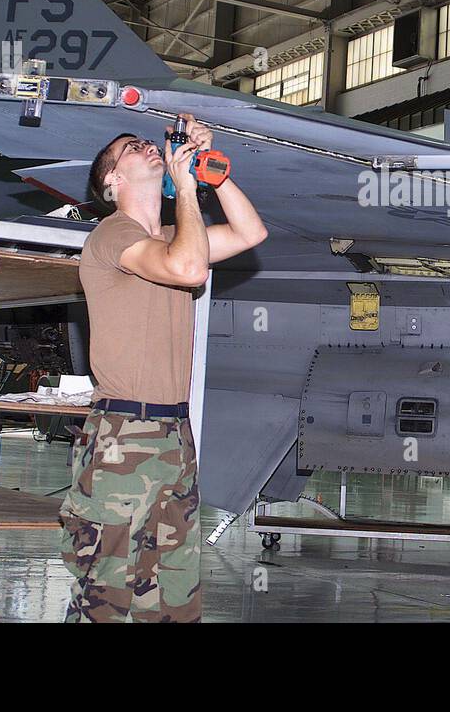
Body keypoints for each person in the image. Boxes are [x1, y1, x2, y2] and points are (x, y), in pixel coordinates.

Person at [60, 114, 267, 622]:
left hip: (174, 433)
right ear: (112, 181)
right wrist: (186, 188)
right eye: (133, 147)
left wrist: (208, 173)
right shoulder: (112, 235)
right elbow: (189, 269)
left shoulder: (178, 235)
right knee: (104, 595)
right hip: (122, 435)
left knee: (173, 592)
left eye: (150, 143)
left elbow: (251, 231)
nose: (149, 146)